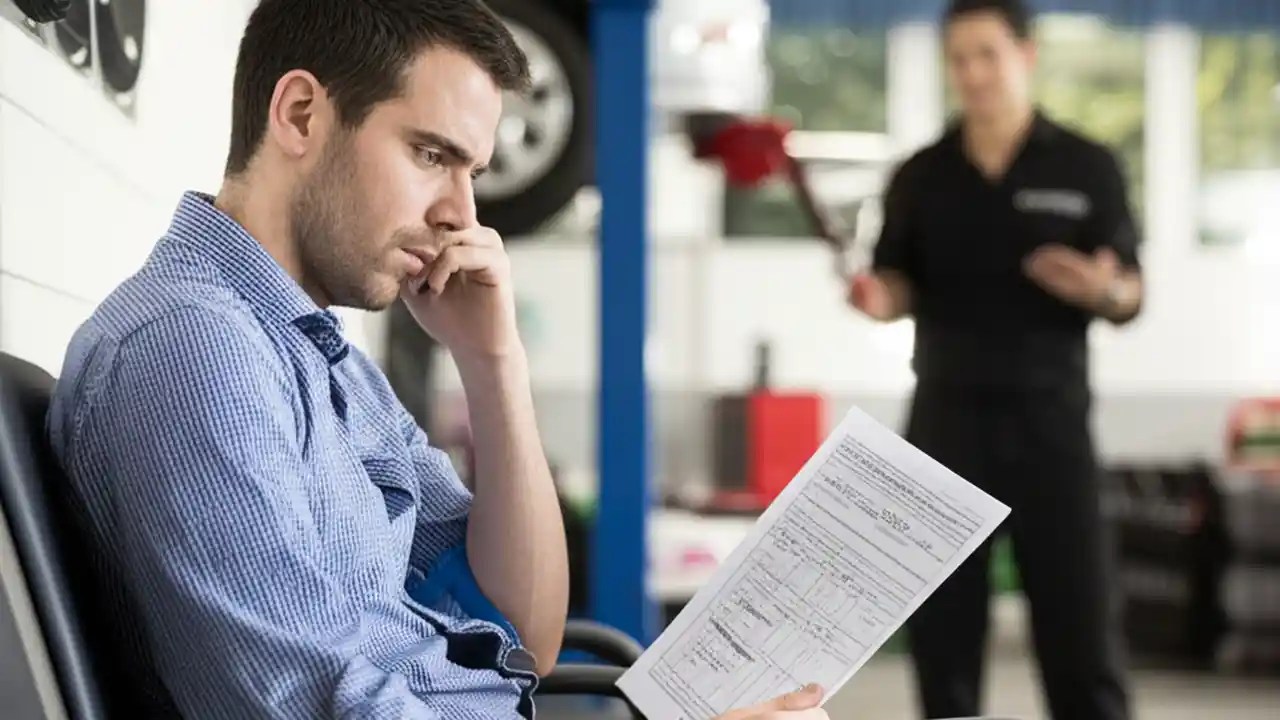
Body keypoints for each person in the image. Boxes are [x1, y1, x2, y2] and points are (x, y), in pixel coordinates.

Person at [47, 1, 827, 718]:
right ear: (299, 115)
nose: (463, 213)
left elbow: (522, 633)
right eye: (431, 154)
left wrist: (493, 363)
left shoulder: (323, 358)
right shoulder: (195, 352)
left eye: (473, 173)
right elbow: (316, 705)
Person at [849, 1, 1140, 719]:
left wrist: (1102, 289)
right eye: (959, 58)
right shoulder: (921, 176)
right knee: (944, 635)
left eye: (988, 54)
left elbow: (1131, 293)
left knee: (1080, 628)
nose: (973, 74)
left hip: (1052, 428)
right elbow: (894, 284)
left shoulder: (1087, 165)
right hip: (945, 425)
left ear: (1025, 54)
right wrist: (876, 297)